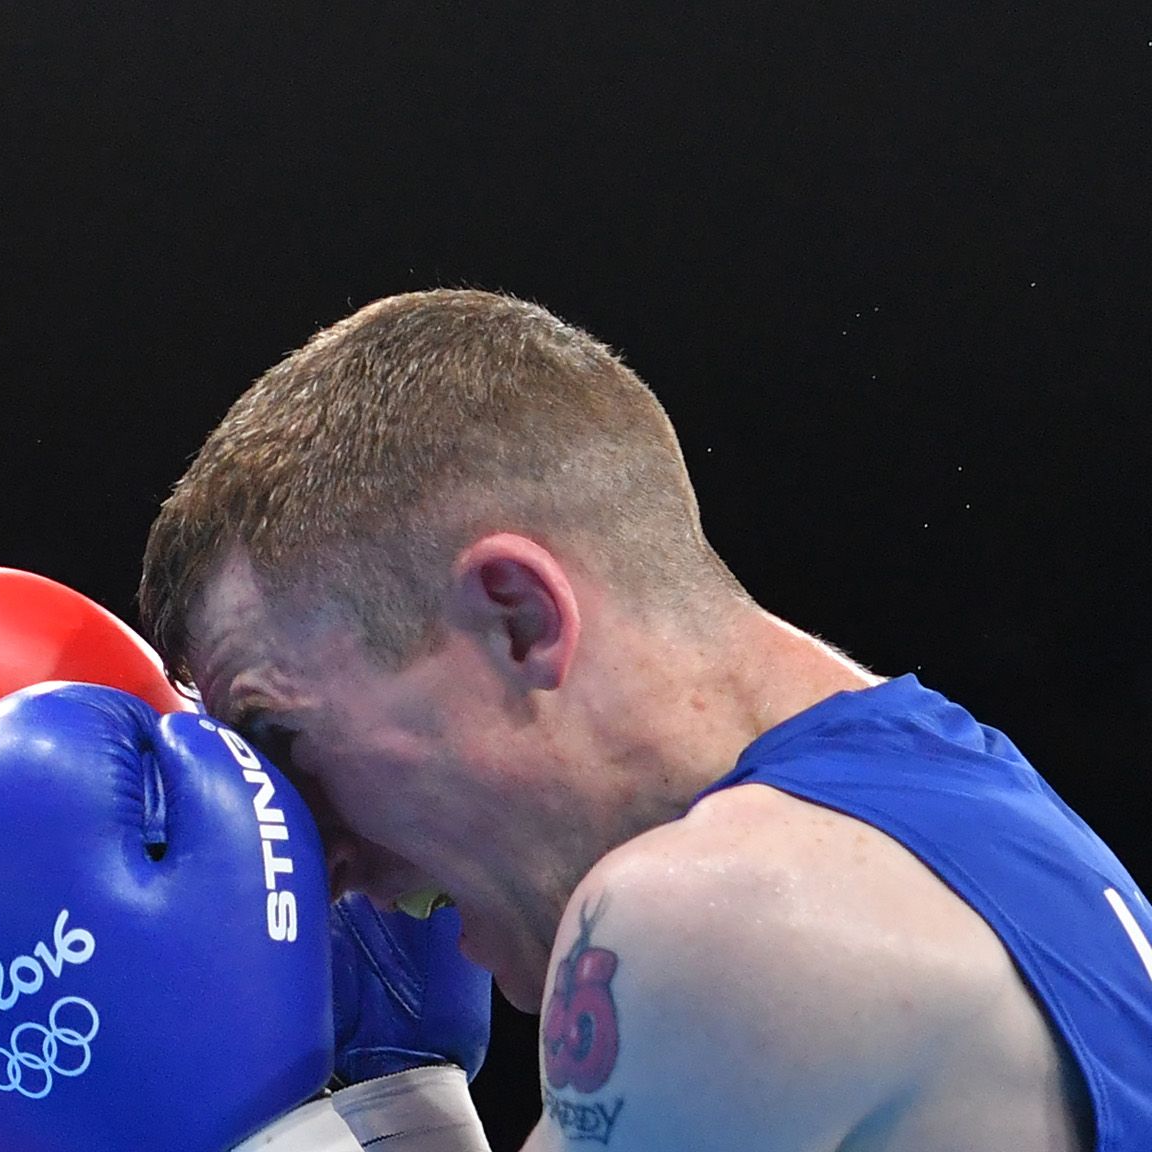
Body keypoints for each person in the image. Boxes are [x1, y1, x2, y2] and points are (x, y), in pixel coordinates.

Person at [137, 288, 1152, 1150]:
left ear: (517, 619)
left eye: (281, 744)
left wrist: (222, 1120)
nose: (316, 865)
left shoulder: (728, 915)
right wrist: (397, 1102)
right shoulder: (942, 798)